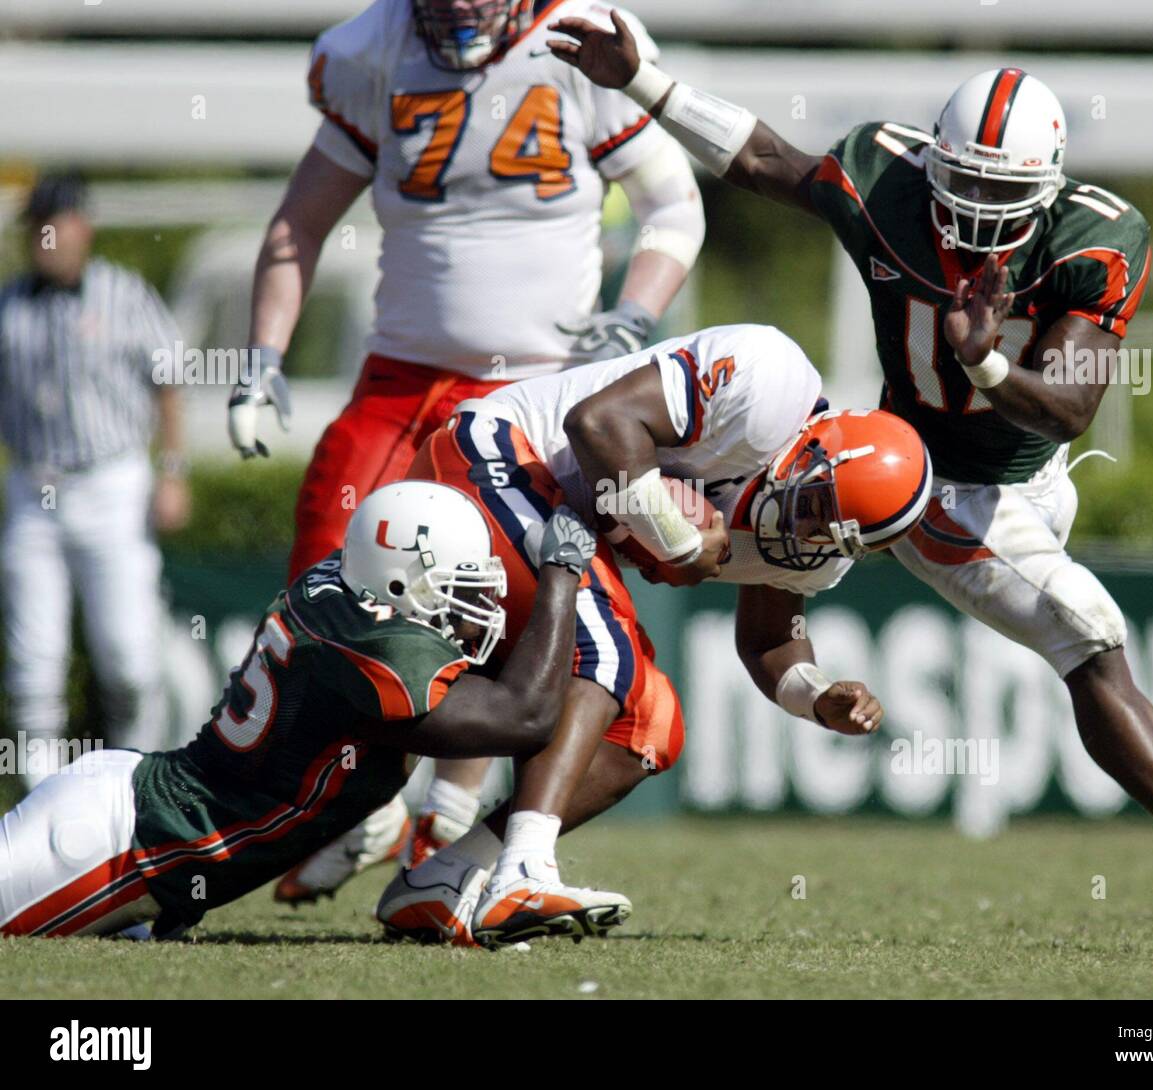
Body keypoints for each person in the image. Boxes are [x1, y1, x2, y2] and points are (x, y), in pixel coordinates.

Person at [544, 17, 1153, 926]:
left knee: (827, 591)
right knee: (1087, 627)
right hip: (922, 479)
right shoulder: (887, 182)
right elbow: (766, 160)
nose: (973, 202)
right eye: (962, 175)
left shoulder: (1098, 241)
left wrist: (987, 366)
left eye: (998, 186)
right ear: (936, 160)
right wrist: (647, 83)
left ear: (1046, 191)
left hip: (1031, 471)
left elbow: (1071, 405)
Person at [231, 0, 705, 894]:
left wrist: (633, 315)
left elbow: (674, 206)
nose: (459, 9)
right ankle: (357, 802)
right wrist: (260, 357)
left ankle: (445, 825)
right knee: (323, 585)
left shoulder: (581, 43)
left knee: (501, 611)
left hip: (529, 394)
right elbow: (299, 222)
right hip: (400, 384)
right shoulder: (372, 50)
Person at [376, 322, 931, 947]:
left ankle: (448, 875)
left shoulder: (815, 546)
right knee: (604, 651)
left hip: (553, 527)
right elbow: (597, 423)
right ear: (820, 444)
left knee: (650, 727)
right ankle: (524, 872)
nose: (804, 531)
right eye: (815, 506)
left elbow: (770, 641)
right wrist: (678, 539)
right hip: (499, 454)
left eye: (828, 532)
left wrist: (817, 693)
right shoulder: (768, 378)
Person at [0, 482, 599, 937]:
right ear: (400, 584)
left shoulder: (344, 588)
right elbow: (527, 716)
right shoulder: (378, 647)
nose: (477, 608)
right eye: (459, 588)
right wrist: (562, 573)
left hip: (130, 810)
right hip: (118, 842)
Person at [0, 172, 191, 790]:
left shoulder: (123, 293)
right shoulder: (8, 305)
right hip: (35, 487)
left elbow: (169, 382)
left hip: (112, 483)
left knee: (128, 658)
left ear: (85, 225)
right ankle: (41, 797)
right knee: (34, 660)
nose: (48, 239)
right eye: (39, 227)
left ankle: (132, 785)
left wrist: (173, 471)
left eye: (60, 223)